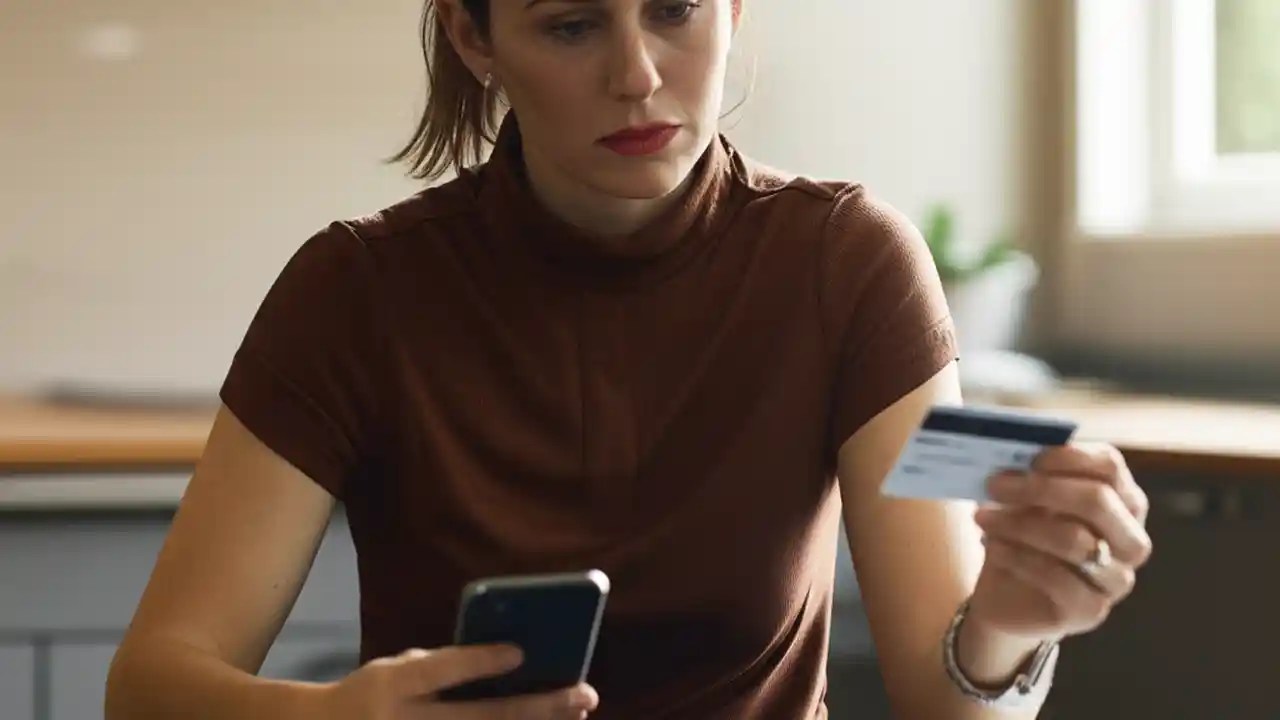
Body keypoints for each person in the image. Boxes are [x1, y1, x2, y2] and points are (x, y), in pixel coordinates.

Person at [105, 1, 1153, 718]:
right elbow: (151, 686)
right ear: (473, 36)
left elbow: (947, 704)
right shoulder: (356, 292)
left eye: (674, 8)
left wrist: (1012, 622)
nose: (637, 74)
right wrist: (338, 717)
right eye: (570, 24)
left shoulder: (846, 265)